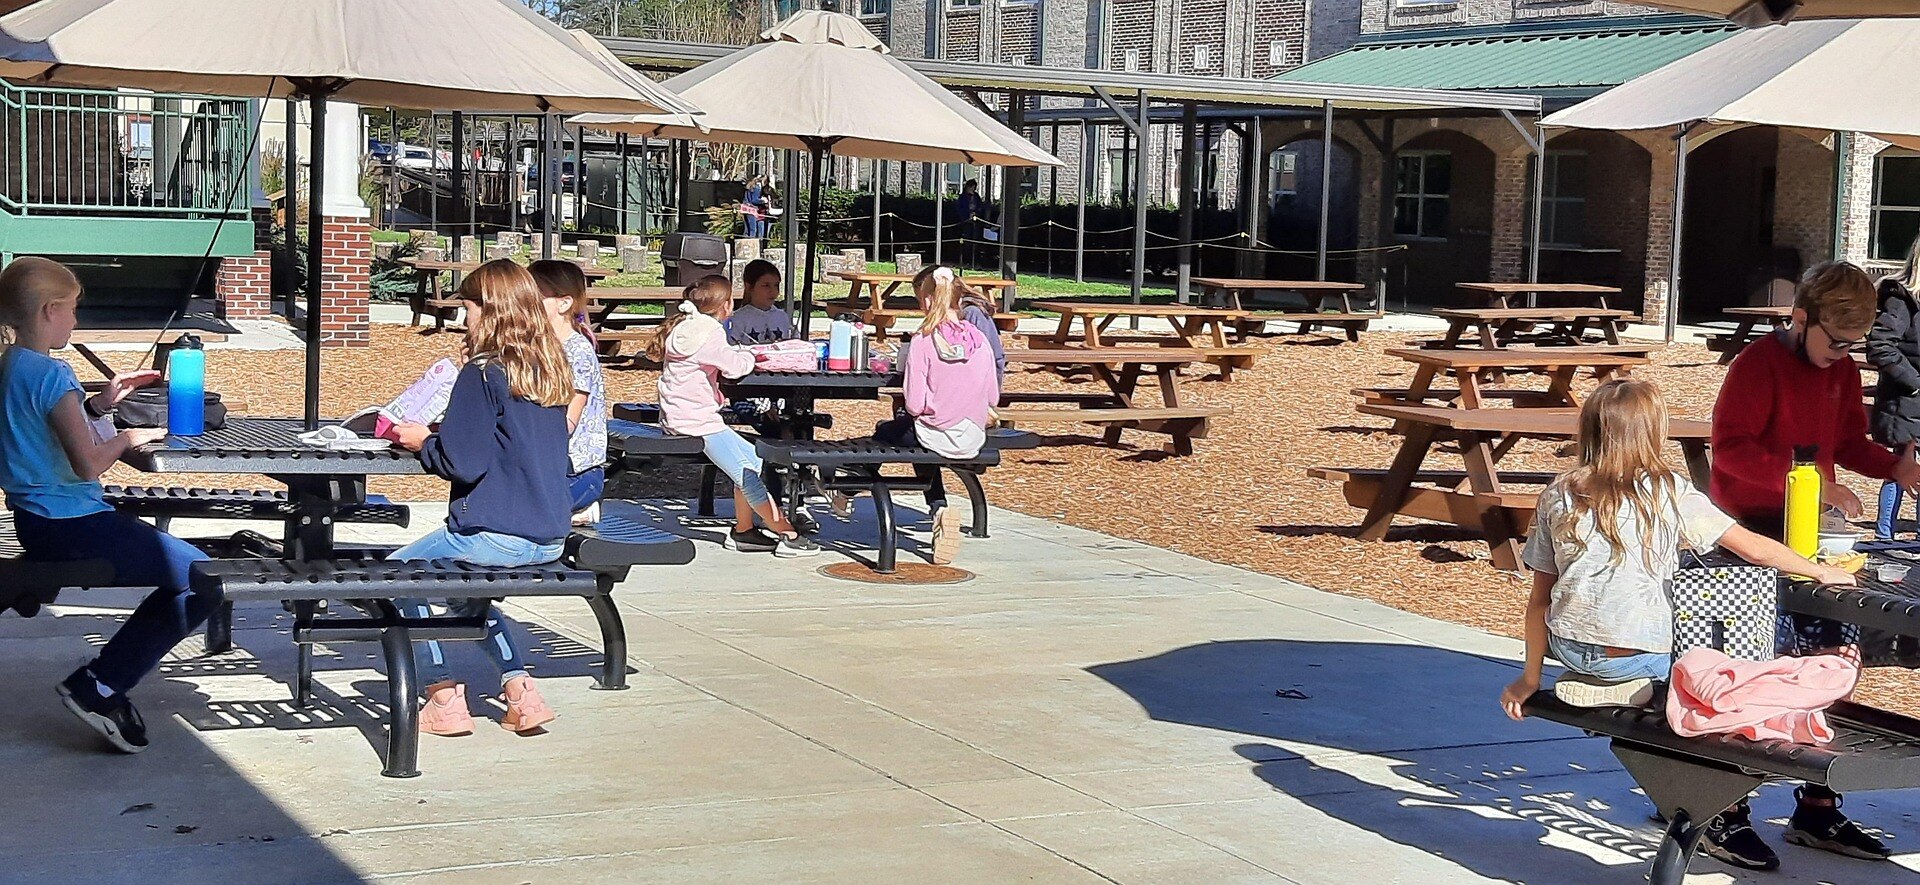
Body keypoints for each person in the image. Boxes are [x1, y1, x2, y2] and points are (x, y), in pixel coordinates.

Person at [1707, 259, 1919, 868]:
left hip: (1810, 538)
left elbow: (1849, 442)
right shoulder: (1757, 365)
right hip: (1746, 534)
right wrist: (1807, 482)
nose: (1844, 354)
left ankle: (1817, 809)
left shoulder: (1842, 371)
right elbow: (1731, 450)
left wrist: (1893, 469)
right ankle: (1724, 809)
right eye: (1836, 341)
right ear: (1801, 319)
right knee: (1747, 674)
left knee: (1827, 665)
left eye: (1855, 345)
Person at [1501, 380, 1855, 718]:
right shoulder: (1666, 490)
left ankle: (1599, 679)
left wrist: (1529, 679)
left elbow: (1539, 599)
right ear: (1653, 433)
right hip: (1640, 654)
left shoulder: (1559, 493)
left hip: (1569, 648)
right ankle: (1648, 684)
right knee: (1722, 645)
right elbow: (1755, 551)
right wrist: (1821, 571)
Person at [0, 257, 214, 754]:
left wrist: (100, 404)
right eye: (73, 311)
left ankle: (102, 682)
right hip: (74, 523)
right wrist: (128, 436)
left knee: (192, 573)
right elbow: (88, 465)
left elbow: (37, 432)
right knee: (206, 579)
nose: (75, 322)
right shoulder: (53, 374)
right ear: (50, 310)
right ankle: (99, 686)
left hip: (35, 519)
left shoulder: (11, 365)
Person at [386, 260, 575, 737]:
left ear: (489, 311)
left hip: (495, 531)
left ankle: (442, 696)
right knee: (472, 598)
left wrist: (421, 443)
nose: (462, 318)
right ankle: (521, 694)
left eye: (468, 307)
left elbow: (463, 463)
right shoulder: (547, 367)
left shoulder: (483, 371)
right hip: (550, 533)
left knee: (393, 578)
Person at [647, 275, 819, 558]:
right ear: (726, 305)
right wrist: (751, 357)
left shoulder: (686, 327)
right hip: (698, 423)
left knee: (753, 457)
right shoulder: (710, 332)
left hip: (682, 416)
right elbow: (734, 367)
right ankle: (786, 533)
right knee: (747, 473)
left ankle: (744, 531)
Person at [870, 266, 1000, 564]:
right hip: (971, 434)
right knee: (920, 444)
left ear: (927, 300)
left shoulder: (923, 341)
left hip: (934, 431)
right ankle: (938, 510)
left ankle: (848, 489)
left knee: (886, 432)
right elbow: (992, 397)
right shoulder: (979, 340)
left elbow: (915, 405)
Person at [529, 259, 607, 526]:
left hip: (575, 470)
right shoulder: (537, 346)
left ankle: (579, 509)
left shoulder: (577, 352)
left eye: (534, 296)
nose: (525, 303)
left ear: (564, 303)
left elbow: (567, 422)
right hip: (545, 462)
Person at [1869, 238, 1920, 539]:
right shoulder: (1901, 299)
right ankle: (1884, 536)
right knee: (1901, 466)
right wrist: (1914, 383)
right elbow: (1880, 345)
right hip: (1907, 400)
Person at [725, 259, 793, 346]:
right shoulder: (738, 319)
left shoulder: (782, 317)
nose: (773, 291)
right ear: (749, 287)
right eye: (766, 285)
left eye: (776, 285)